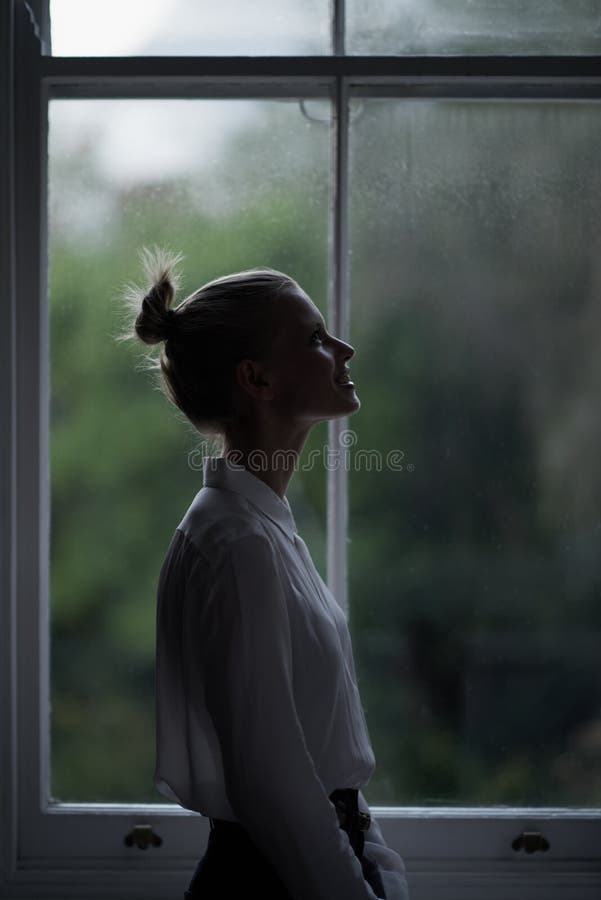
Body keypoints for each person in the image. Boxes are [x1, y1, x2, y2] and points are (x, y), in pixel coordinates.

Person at [121, 247, 410, 899]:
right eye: (314, 338)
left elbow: (319, 763)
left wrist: (382, 873)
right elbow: (272, 783)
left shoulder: (259, 527)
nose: (345, 350)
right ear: (256, 378)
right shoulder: (236, 543)